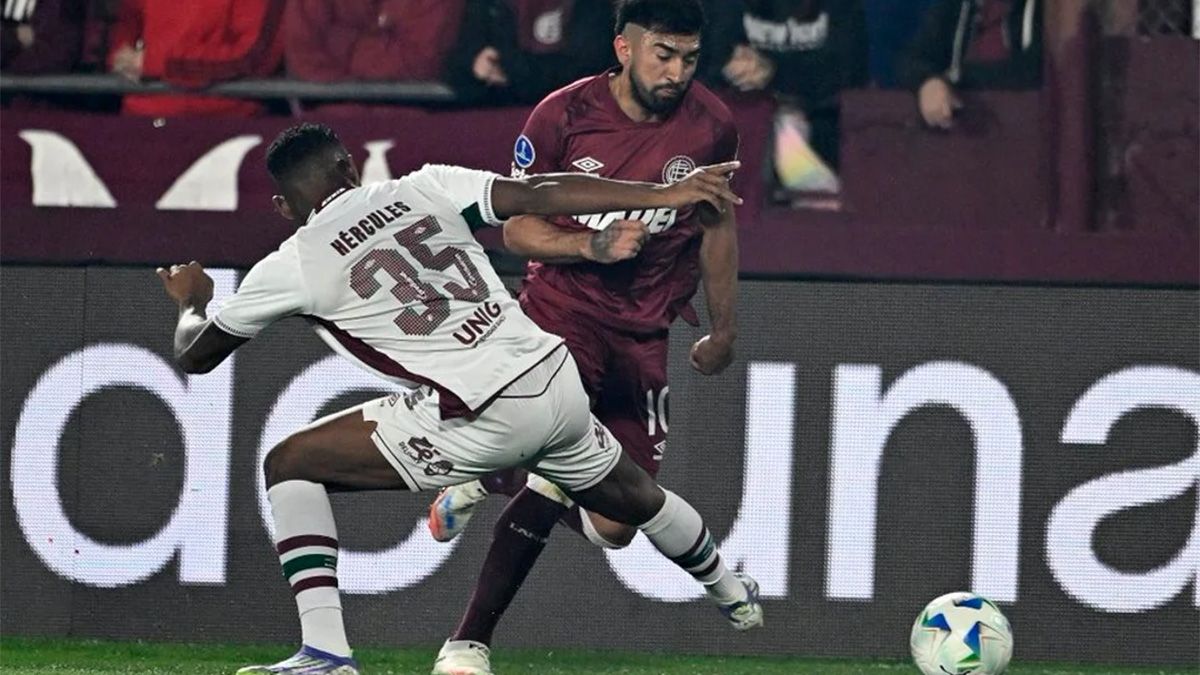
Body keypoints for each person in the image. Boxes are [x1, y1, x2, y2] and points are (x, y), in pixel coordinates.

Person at [155, 122, 758, 675]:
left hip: (482, 413)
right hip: (553, 375)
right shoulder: (426, 186)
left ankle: (326, 653)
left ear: (284, 207)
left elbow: (196, 356)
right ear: (349, 168)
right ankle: (733, 594)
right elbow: (541, 193)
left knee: (288, 465)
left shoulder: (293, 263)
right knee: (634, 499)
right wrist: (663, 195)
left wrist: (192, 300)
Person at [426, 1, 759, 673]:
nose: (677, 72)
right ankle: (467, 643)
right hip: (562, 313)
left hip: (644, 332)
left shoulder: (713, 127)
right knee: (561, 454)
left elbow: (718, 225)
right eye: (663, 55)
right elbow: (516, 229)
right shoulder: (561, 117)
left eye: (690, 59)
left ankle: (491, 472)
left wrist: (724, 325)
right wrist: (594, 245)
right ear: (623, 48)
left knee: (615, 525)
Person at [107, 0, 285, 117]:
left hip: (219, 127)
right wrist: (120, 52)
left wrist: (158, 63)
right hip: (139, 119)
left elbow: (254, 58)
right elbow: (127, 20)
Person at [897, 0, 1043, 130]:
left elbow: (1031, 71)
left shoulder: (1047, 9)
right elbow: (913, 59)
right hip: (958, 139)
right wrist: (927, 82)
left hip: (1022, 132)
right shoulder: (958, 5)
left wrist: (954, 79)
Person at [444, 0, 617, 105]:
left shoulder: (592, 6)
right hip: (498, 118)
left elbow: (591, 71)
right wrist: (474, 64)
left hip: (570, 121)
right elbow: (456, 64)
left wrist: (510, 69)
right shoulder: (492, 4)